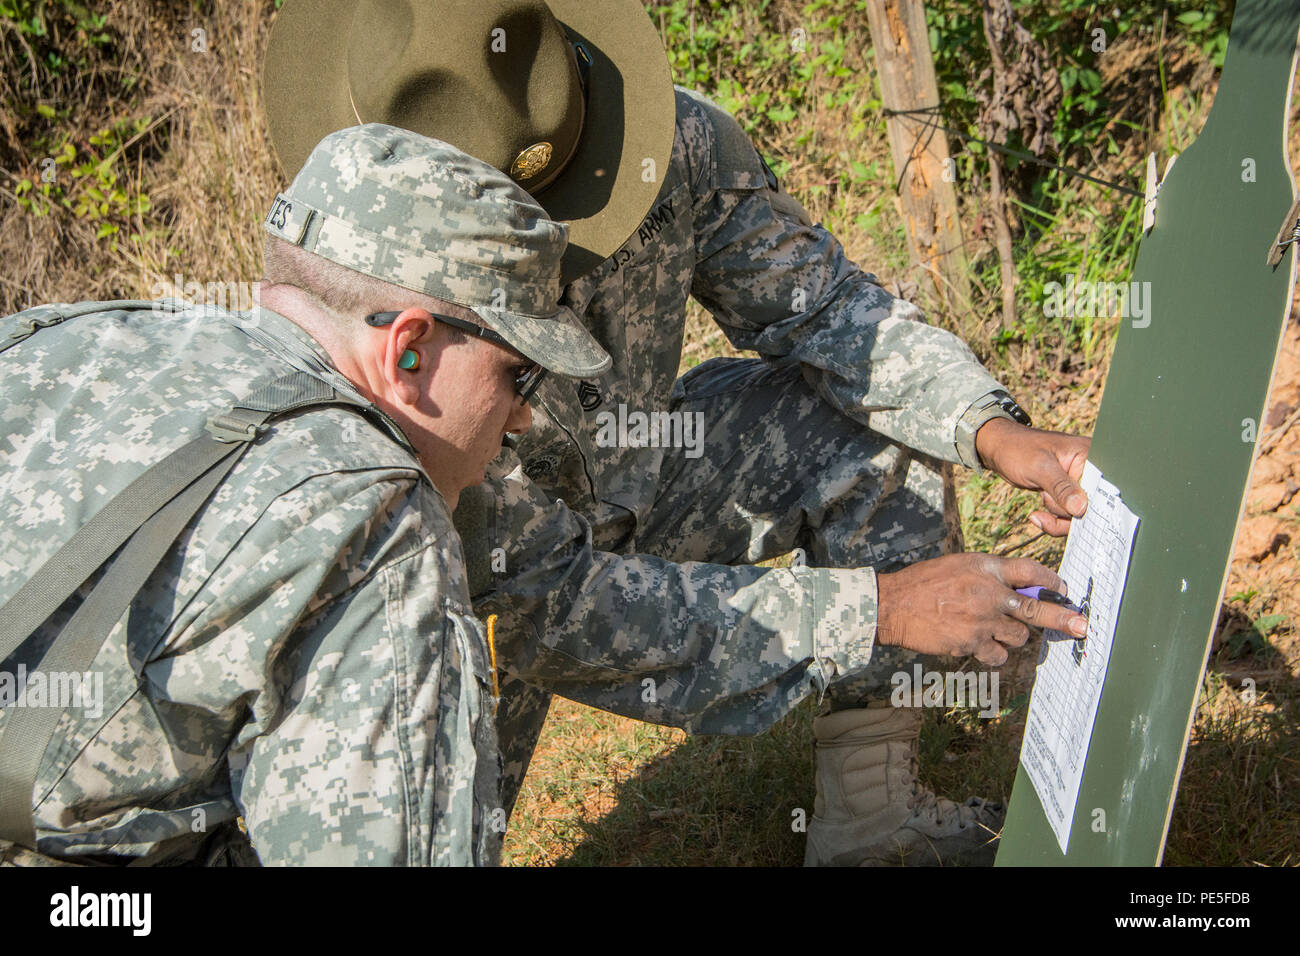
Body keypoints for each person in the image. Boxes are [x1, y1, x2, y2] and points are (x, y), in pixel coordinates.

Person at [263, 0, 1092, 865]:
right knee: (417, 830)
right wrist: (883, 612)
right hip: (469, 576)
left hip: (640, 483)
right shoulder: (346, 284)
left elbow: (829, 311)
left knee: (862, 422)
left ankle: (871, 819)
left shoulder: (669, 150)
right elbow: (554, 600)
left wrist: (993, 430)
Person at [0, 123, 610, 866]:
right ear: (407, 348)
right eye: (521, 376)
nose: (524, 416)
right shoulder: (373, 518)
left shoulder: (58, 338)